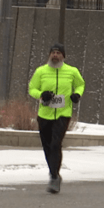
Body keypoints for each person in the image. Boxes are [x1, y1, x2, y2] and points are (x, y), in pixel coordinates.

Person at [28, 43, 85, 194]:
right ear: (49, 55)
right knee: (47, 146)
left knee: (55, 144)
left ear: (63, 56)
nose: (55, 55)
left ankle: (54, 177)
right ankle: (54, 174)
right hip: (44, 114)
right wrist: (41, 95)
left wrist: (77, 95)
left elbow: (81, 84)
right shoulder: (41, 71)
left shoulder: (72, 71)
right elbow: (32, 88)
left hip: (62, 114)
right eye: (53, 52)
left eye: (58, 53)